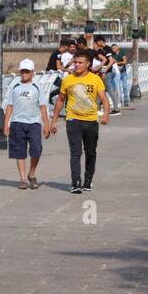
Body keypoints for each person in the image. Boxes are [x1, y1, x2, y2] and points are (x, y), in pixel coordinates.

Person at [49, 49, 111, 193]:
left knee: (90, 152)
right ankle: (76, 182)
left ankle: (88, 181)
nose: (76, 65)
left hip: (91, 120)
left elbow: (104, 99)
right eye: (75, 62)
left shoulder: (95, 80)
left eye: (80, 63)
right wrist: (54, 121)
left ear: (88, 64)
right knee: (75, 152)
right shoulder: (68, 80)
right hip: (73, 120)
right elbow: (60, 100)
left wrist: (106, 114)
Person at [5, 58, 49, 190]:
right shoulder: (14, 87)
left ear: (32, 73)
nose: (24, 74)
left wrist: (46, 124)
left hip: (34, 122)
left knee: (36, 149)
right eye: (22, 71)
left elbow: (42, 107)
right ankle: (23, 178)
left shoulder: (37, 87)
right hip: (17, 123)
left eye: (27, 72)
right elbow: (9, 106)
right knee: (20, 152)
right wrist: (5, 123)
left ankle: (32, 173)